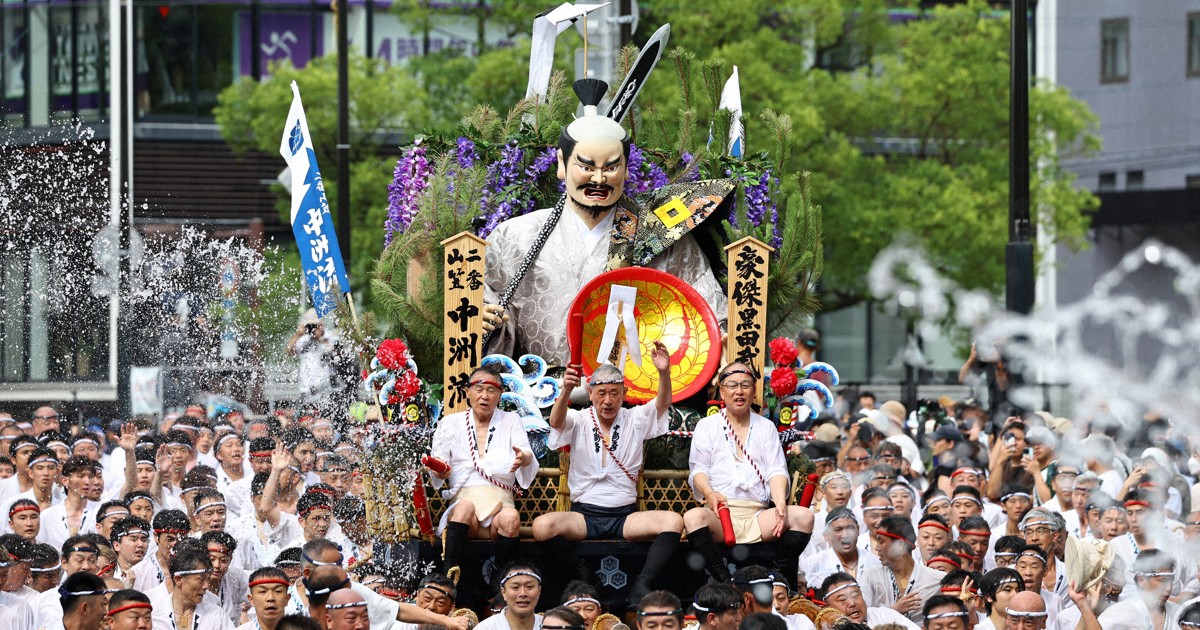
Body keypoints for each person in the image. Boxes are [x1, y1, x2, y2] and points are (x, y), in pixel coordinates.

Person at [481, 77, 729, 366]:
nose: (598, 179)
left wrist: (718, 355)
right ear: (562, 164)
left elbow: (707, 315)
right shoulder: (514, 235)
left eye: (611, 167)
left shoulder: (662, 233)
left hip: (633, 399)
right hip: (538, 395)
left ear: (626, 169)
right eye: (586, 166)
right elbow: (485, 306)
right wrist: (485, 320)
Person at [533, 344, 681, 603]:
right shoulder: (579, 419)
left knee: (674, 522)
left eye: (614, 393)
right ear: (590, 393)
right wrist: (567, 388)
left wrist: (664, 373)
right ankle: (584, 575)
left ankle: (641, 585)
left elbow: (662, 404)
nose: (608, 400)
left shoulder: (634, 418)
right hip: (585, 516)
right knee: (542, 526)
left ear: (624, 393)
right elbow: (556, 423)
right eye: (601, 393)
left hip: (624, 516)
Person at [684, 363, 814, 585]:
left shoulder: (765, 427)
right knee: (693, 517)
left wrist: (780, 502)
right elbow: (699, 470)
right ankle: (726, 581)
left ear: (754, 391)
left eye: (745, 385)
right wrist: (710, 493)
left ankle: (778, 576)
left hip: (757, 514)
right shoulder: (707, 426)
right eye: (732, 385)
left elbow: (776, 470)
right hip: (721, 514)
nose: (739, 391)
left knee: (804, 517)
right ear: (722, 391)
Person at [430, 365, 538, 582]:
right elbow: (439, 460)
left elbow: (525, 450)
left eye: (491, 391)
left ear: (499, 395)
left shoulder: (511, 420)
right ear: (467, 392)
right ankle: (447, 578)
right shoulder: (450, 422)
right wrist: (439, 471)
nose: (484, 396)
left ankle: (500, 585)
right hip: (465, 509)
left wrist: (523, 458)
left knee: (511, 517)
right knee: (465, 508)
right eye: (479, 389)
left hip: (499, 506)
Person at [858, 516, 946, 625]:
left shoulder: (938, 579)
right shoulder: (870, 576)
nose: (877, 548)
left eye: (881, 542)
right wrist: (894, 611)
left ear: (899, 545)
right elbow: (860, 614)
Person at [149, 545, 233, 630]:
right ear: (178, 579)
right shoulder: (153, 615)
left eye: (207, 579)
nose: (206, 586)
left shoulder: (217, 616)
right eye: (200, 579)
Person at [1094, 549, 1178, 630]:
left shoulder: (1177, 613)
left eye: (1171, 581)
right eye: (1162, 581)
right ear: (1141, 579)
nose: (1169, 589)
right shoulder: (1117, 614)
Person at [800, 508, 880, 588]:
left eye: (850, 528)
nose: (845, 535)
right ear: (827, 535)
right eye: (838, 530)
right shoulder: (813, 564)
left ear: (858, 530)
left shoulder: (875, 563)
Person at [817, 573, 919, 629]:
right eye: (842, 600)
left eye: (855, 596)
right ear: (828, 607)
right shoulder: (824, 627)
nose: (852, 604)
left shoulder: (884, 614)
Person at [475, 562, 543, 630]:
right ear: (503, 592)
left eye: (529, 586)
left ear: (539, 591)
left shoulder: (550, 626)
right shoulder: (485, 627)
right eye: (515, 587)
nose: (523, 593)